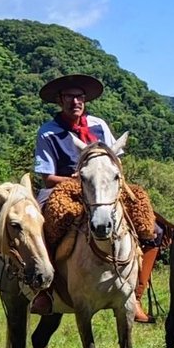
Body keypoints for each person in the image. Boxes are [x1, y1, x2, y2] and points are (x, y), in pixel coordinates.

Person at [29, 72, 132, 317]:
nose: (75, 102)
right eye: (69, 97)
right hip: (62, 189)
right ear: (59, 100)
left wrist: (107, 178)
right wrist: (76, 180)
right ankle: (45, 290)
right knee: (45, 227)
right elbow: (47, 177)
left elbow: (115, 160)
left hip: (102, 187)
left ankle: (135, 289)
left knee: (149, 223)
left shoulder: (99, 125)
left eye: (80, 97)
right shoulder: (48, 132)